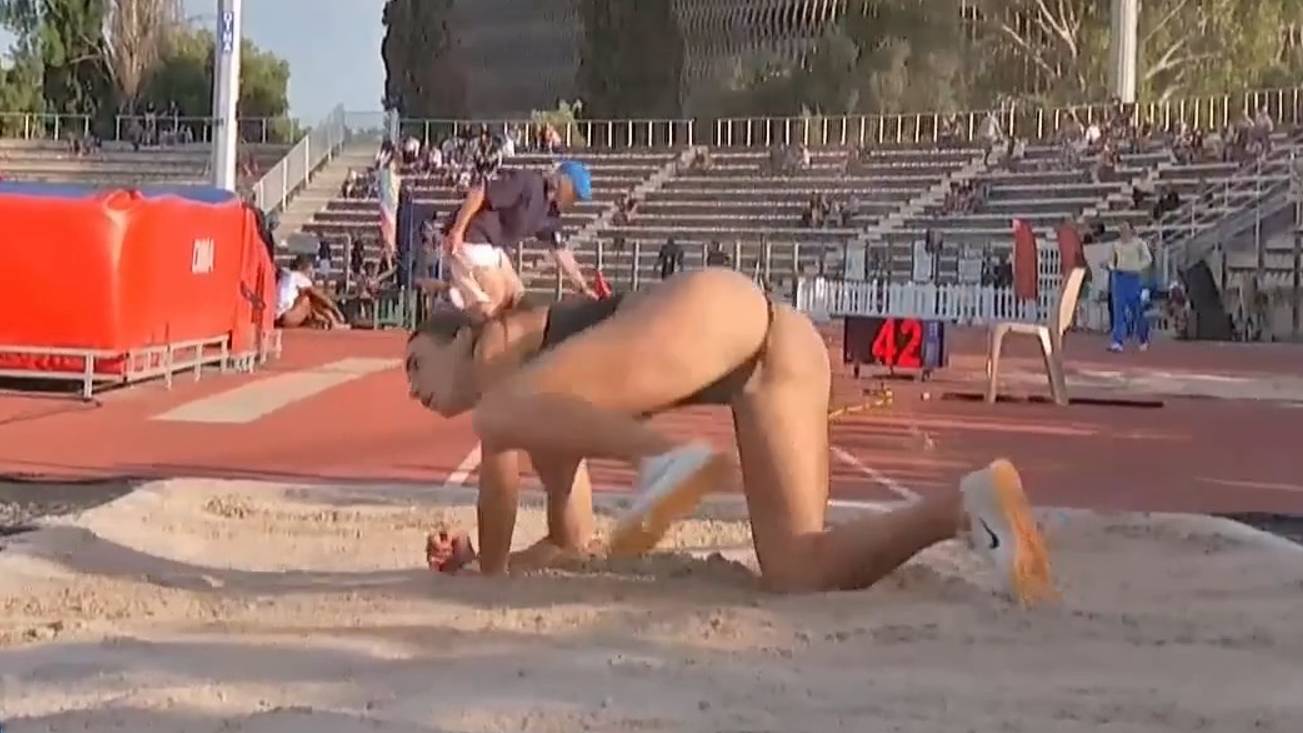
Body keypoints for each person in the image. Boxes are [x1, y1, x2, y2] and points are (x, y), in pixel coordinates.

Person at [407, 268, 1056, 603]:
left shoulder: (498, 348)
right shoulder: (549, 404)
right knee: (798, 569)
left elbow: (498, 476)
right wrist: (482, 560)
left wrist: (487, 574)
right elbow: (571, 541)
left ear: (462, 338)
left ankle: (666, 462)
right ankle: (963, 507)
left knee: (497, 414)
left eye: (416, 364)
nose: (412, 387)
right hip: (779, 348)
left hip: (716, 309)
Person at [442, 161, 597, 319]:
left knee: (520, 304)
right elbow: (480, 191)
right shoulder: (527, 183)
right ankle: (456, 298)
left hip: (495, 248)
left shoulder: (550, 214)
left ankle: (456, 291)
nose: (574, 201)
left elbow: (560, 250)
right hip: (471, 237)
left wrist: (582, 286)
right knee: (494, 307)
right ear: (565, 182)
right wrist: (457, 231)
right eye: (575, 194)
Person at [1107, 222, 1153, 352]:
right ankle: (1117, 341)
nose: (1123, 232)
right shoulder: (1116, 244)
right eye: (1121, 230)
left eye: (1125, 229)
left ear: (1131, 230)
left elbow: (1148, 259)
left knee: (1137, 309)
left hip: (1133, 277)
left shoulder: (1139, 243)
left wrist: (1138, 266)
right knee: (1118, 310)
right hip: (1119, 277)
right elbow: (1111, 260)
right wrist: (1112, 267)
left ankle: (1143, 338)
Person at [276, 255, 346, 329]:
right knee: (308, 299)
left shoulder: (288, 277)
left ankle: (324, 321)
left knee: (308, 300)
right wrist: (335, 309)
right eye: (309, 271)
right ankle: (332, 320)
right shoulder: (298, 276)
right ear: (302, 268)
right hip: (287, 316)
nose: (311, 274)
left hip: (280, 316)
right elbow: (316, 294)